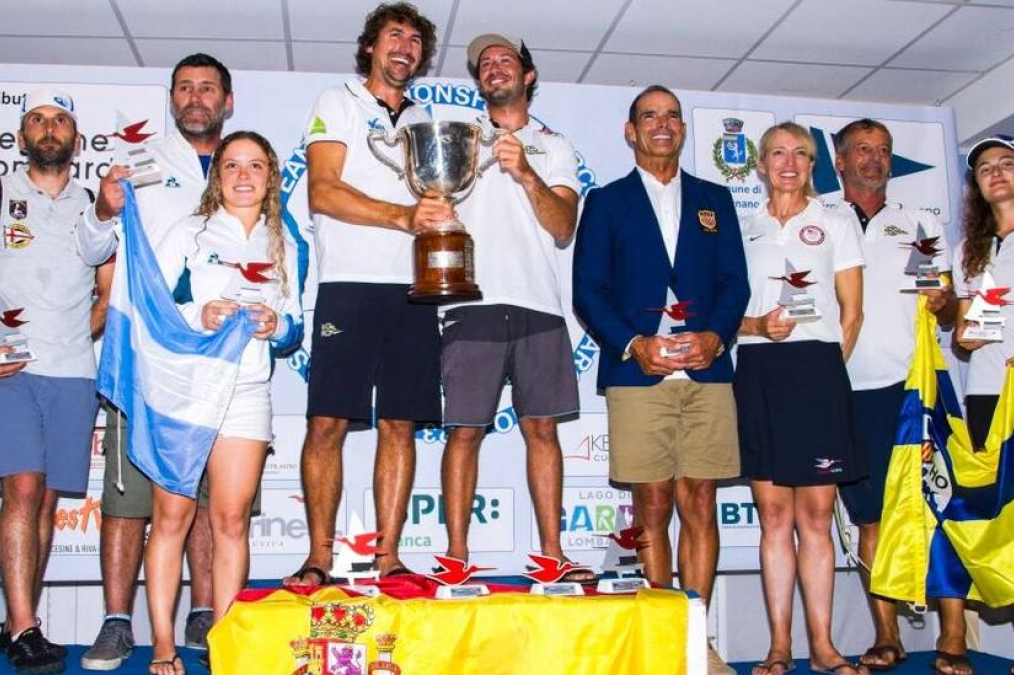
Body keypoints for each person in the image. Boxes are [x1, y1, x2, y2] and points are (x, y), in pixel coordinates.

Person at [572, 85, 749, 675]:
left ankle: (696, 642)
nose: (663, 124)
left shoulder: (715, 199)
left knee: (700, 500)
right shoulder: (605, 201)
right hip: (636, 372)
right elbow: (588, 292)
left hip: (707, 372)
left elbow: (735, 285)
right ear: (631, 131)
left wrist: (716, 336)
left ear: (682, 128)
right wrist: (633, 344)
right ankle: (663, 642)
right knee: (651, 505)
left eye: (672, 115)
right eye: (649, 116)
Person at [284, 2, 452, 587]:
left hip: (413, 291)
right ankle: (319, 556)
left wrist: (431, 219)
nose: (403, 47)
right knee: (327, 423)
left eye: (414, 41)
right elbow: (323, 193)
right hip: (348, 287)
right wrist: (404, 216)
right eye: (393, 36)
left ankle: (388, 558)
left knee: (400, 424)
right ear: (371, 48)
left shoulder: (426, 121)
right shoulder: (337, 102)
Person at [76, 53, 233, 669]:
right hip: (145, 354)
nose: (196, 98)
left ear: (228, 100)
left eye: (208, 89)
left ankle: (201, 609)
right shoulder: (136, 162)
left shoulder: (244, 163)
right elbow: (90, 247)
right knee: (129, 498)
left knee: (200, 491)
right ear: (172, 100)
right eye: (185, 89)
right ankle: (117, 621)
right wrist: (104, 208)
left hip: (219, 356)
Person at [0, 88, 111, 674]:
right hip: (7, 366)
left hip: (72, 371)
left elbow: (108, 293)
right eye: (37, 120)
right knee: (22, 489)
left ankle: (16, 618)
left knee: (43, 497)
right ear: (21, 136)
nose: (49, 129)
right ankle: (24, 627)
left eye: (60, 120)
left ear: (74, 137)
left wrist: (73, 331)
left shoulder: (93, 204)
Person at [143, 130, 302, 675]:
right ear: (218, 176)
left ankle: (224, 642)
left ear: (270, 176)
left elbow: (295, 325)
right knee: (172, 516)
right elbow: (154, 308)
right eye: (231, 165)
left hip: (248, 392)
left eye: (254, 166)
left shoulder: (287, 240)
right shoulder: (188, 232)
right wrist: (199, 315)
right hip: (185, 388)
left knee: (231, 521)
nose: (242, 176)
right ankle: (163, 643)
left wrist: (277, 324)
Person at [438, 32, 584, 576]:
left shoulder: (556, 145)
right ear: (479, 83)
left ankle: (553, 555)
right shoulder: (457, 140)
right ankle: (456, 556)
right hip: (469, 304)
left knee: (542, 429)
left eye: (505, 60)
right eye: (485, 64)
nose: (494, 67)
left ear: (528, 76)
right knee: (464, 432)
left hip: (539, 306)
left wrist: (525, 170)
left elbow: (563, 225)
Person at [735, 121, 867, 675]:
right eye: (778, 154)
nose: (789, 163)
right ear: (761, 165)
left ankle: (825, 648)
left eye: (802, 155)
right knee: (772, 516)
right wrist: (760, 326)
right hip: (760, 368)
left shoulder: (836, 220)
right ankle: (779, 648)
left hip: (817, 370)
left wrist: (825, 371)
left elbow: (852, 311)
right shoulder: (742, 227)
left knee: (816, 516)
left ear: (814, 166)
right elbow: (725, 318)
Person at [828, 118, 958, 674]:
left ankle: (952, 634)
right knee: (871, 517)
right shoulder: (816, 220)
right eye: (862, 150)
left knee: (944, 509)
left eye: (882, 151)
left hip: (918, 387)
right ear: (839, 162)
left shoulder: (921, 221)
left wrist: (943, 303)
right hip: (847, 389)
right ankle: (887, 635)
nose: (874, 159)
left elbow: (947, 304)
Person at [954, 134, 1014, 675]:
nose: (995, 174)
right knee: (1011, 521)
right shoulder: (973, 248)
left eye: (1006, 164)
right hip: (988, 393)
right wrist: (971, 329)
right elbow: (963, 336)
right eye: (985, 168)